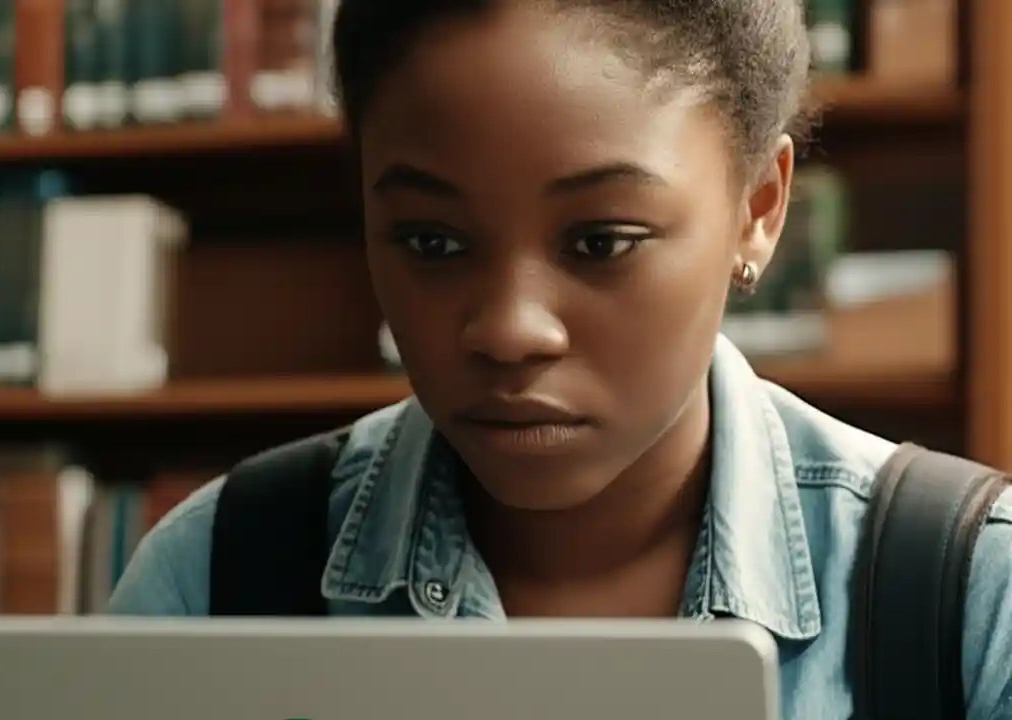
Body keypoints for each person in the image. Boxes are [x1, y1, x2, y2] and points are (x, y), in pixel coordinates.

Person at [109, 0, 1012, 717]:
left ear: (760, 208)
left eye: (600, 242)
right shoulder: (215, 576)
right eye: (431, 243)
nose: (509, 329)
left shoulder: (968, 600)